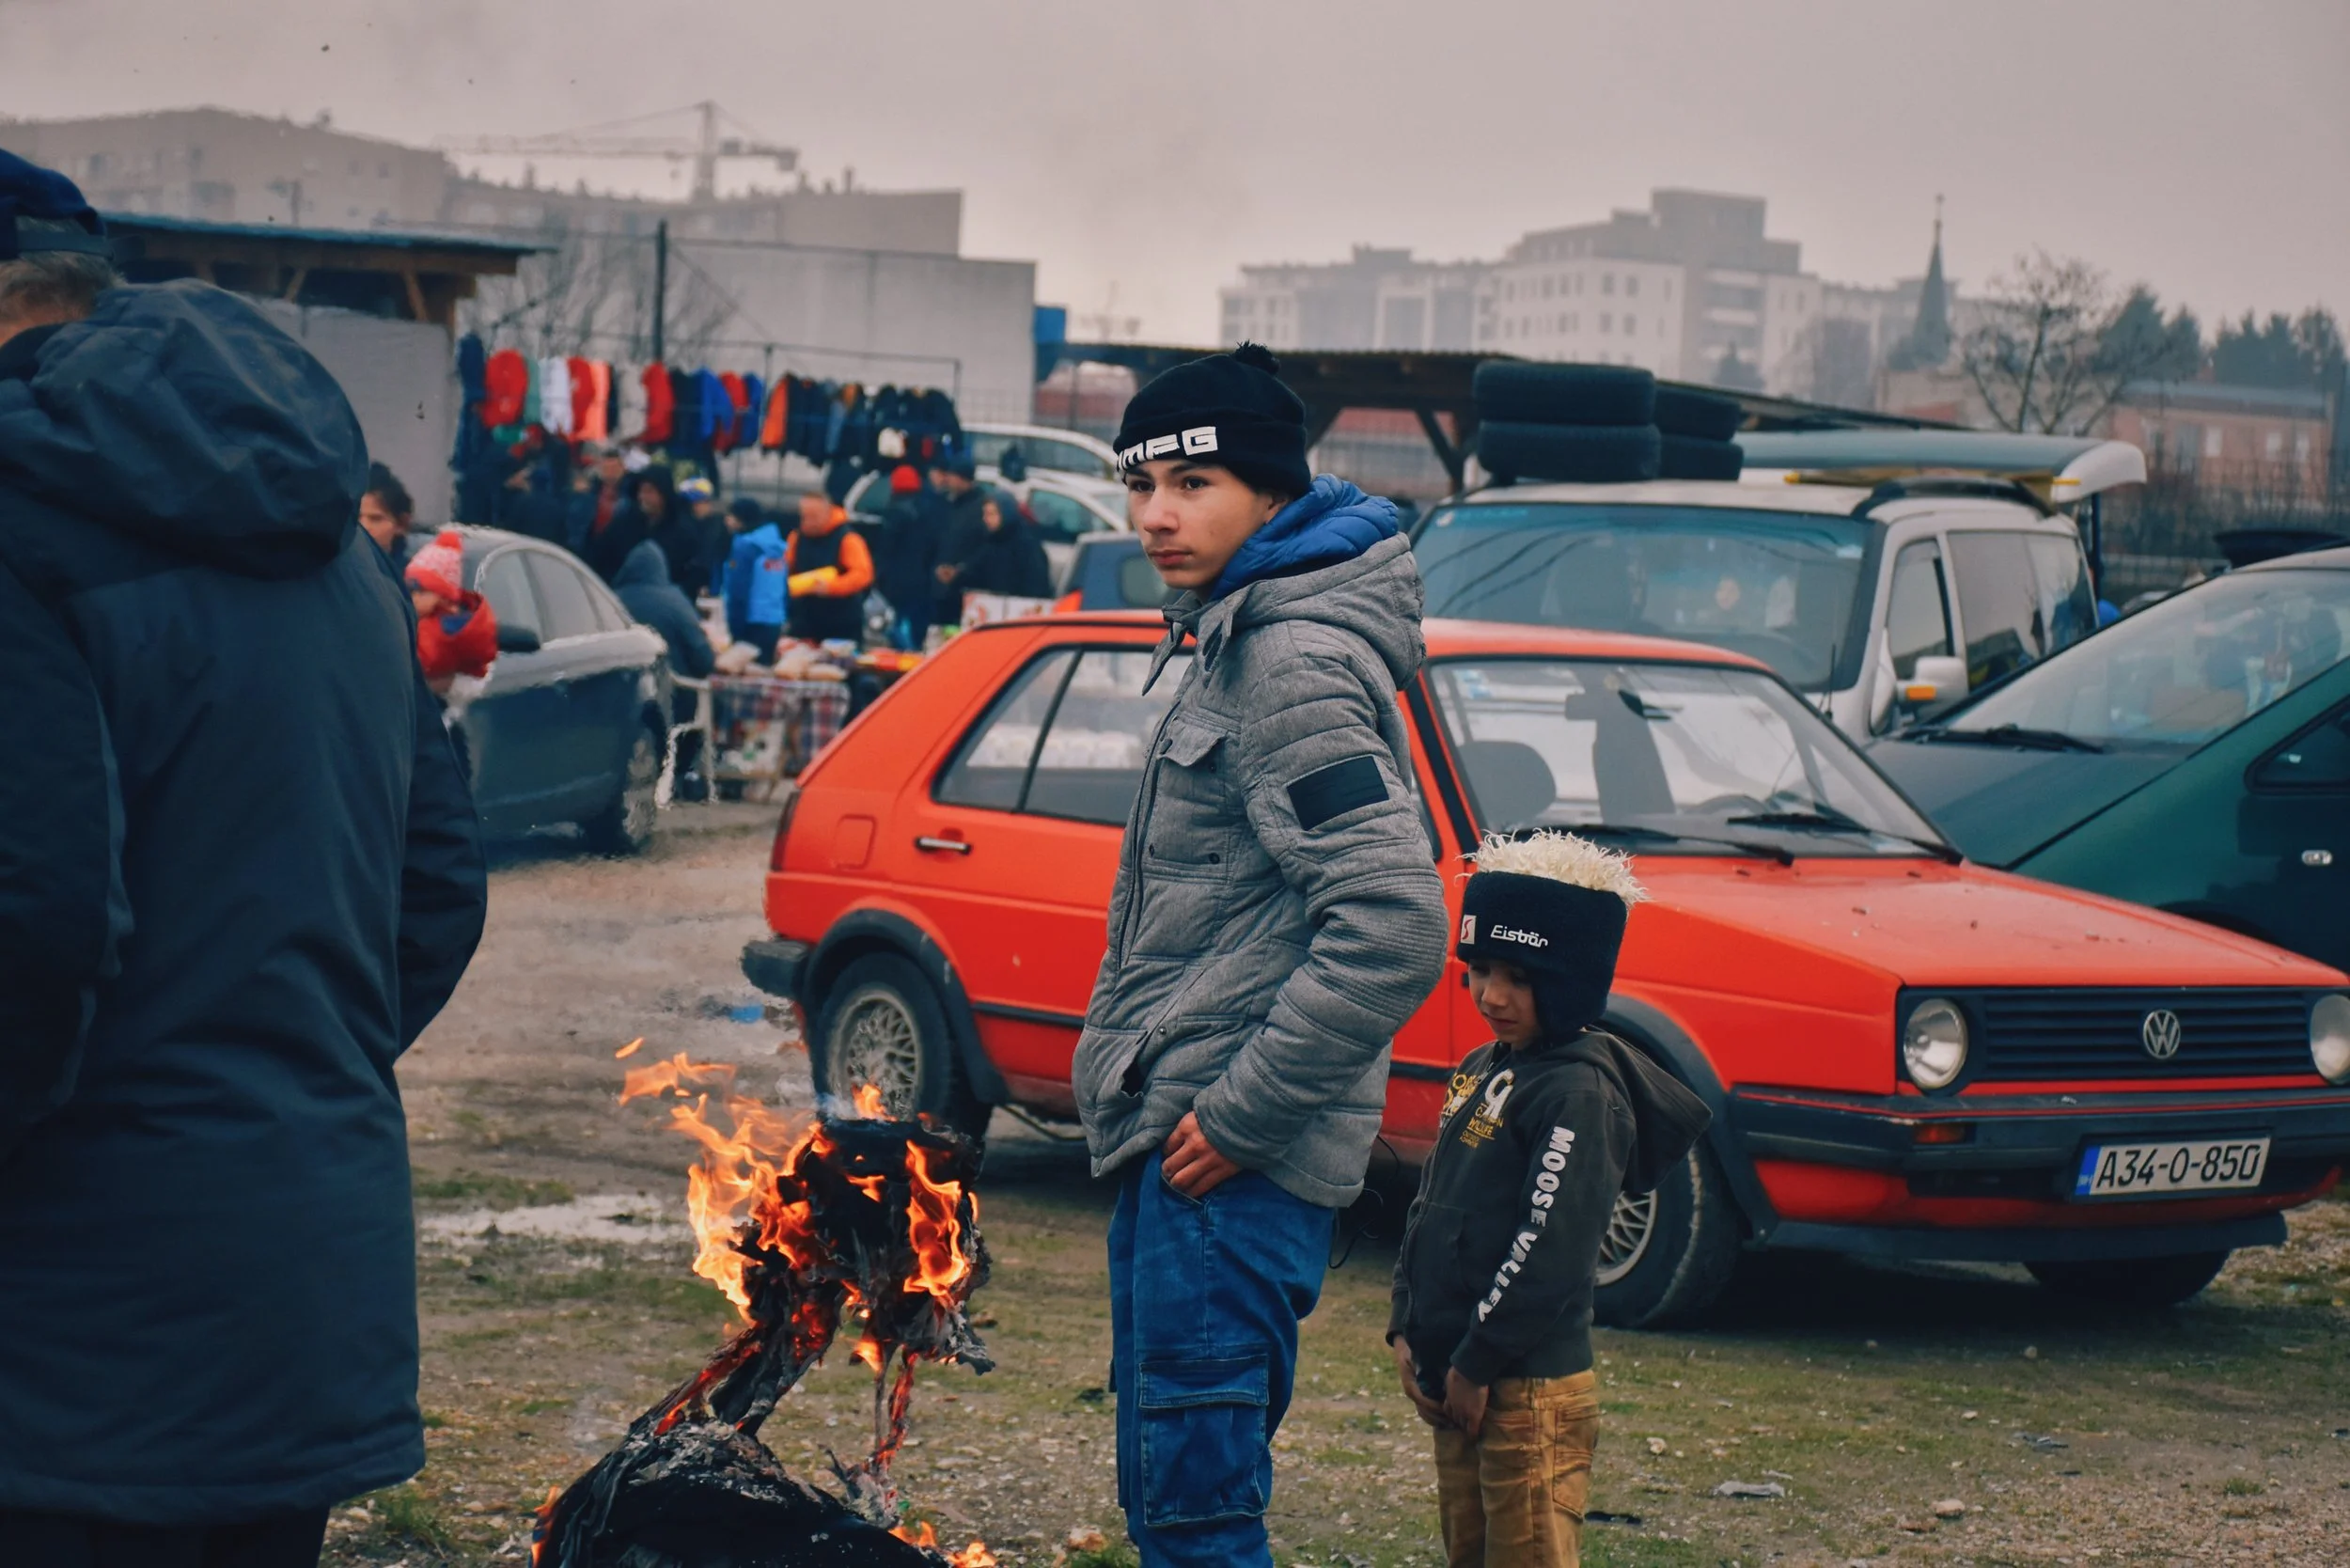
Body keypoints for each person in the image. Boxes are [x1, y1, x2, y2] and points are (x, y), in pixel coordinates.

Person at [0, 152, 487, 1568]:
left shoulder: (21, 528)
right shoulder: (335, 546)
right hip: (294, 1290)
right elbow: (438, 888)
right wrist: (276, 1064)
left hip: (71, 1328)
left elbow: (31, 919)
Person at [1072, 342, 1449, 1567]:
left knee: (1196, 1520)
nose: (1156, 517)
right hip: (1183, 1152)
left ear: (1274, 494)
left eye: (1193, 486)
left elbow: (1394, 922)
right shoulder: (1234, 633)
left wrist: (1239, 1117)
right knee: (1175, 1500)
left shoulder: (1290, 660)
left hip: (1222, 1170)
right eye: (1142, 488)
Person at [1387, 833, 1709, 1568]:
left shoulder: (1578, 1091)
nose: (1493, 995)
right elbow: (1431, 1204)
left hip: (1526, 1390)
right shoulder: (1480, 1069)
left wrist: (1478, 1362)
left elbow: (1551, 1245)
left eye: (1522, 977)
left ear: (1571, 980)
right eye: (1483, 969)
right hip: (1453, 1372)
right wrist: (1407, 1327)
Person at [614, 538, 715, 800]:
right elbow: (704, 660)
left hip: (622, 696)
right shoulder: (675, 601)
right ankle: (686, 776)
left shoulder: (614, 600)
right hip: (676, 696)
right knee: (713, 705)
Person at [403, 528, 501, 695]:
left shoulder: (448, 626)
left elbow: (423, 662)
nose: (414, 598)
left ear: (444, 596)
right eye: (410, 591)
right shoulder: (426, 620)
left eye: (422, 591)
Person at [783, 489, 875, 644]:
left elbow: (863, 574)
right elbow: (785, 569)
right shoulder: (796, 538)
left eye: (814, 517)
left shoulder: (848, 539)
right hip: (804, 621)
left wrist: (830, 587)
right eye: (805, 517)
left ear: (828, 513)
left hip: (841, 622)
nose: (808, 522)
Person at [871, 463, 938, 651]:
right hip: (921, 579)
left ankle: (904, 654)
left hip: (896, 580)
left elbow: (886, 549)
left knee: (893, 624)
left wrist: (879, 576)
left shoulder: (894, 511)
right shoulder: (927, 509)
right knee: (915, 624)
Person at [940, 493, 1053, 603]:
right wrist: (956, 576)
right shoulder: (992, 542)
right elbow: (977, 571)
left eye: (992, 514)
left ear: (1006, 514)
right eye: (985, 514)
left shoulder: (1027, 545)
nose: (986, 519)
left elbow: (1035, 585)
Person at [723, 495, 790, 664]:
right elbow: (785, 585)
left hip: (750, 622)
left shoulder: (745, 547)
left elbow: (738, 590)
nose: (727, 520)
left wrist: (735, 628)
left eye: (731, 516)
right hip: (774, 620)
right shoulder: (777, 547)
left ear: (742, 519)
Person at [927, 449, 991, 626]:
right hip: (942, 589)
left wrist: (960, 571)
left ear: (963, 478)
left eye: (952, 476)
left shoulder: (980, 508)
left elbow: (984, 549)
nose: (948, 480)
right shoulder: (949, 504)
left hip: (965, 590)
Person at [582, 464, 665, 585]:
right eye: (641, 491)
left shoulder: (681, 531)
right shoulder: (622, 526)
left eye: (649, 491)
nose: (643, 497)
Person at [566, 440, 631, 556]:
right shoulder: (590, 494)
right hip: (592, 548)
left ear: (622, 469)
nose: (611, 472)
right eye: (607, 468)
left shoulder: (630, 495)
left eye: (614, 468)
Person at [359, 461, 417, 572]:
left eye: (376, 519)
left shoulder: (415, 578)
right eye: (355, 519)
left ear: (401, 524)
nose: (364, 527)